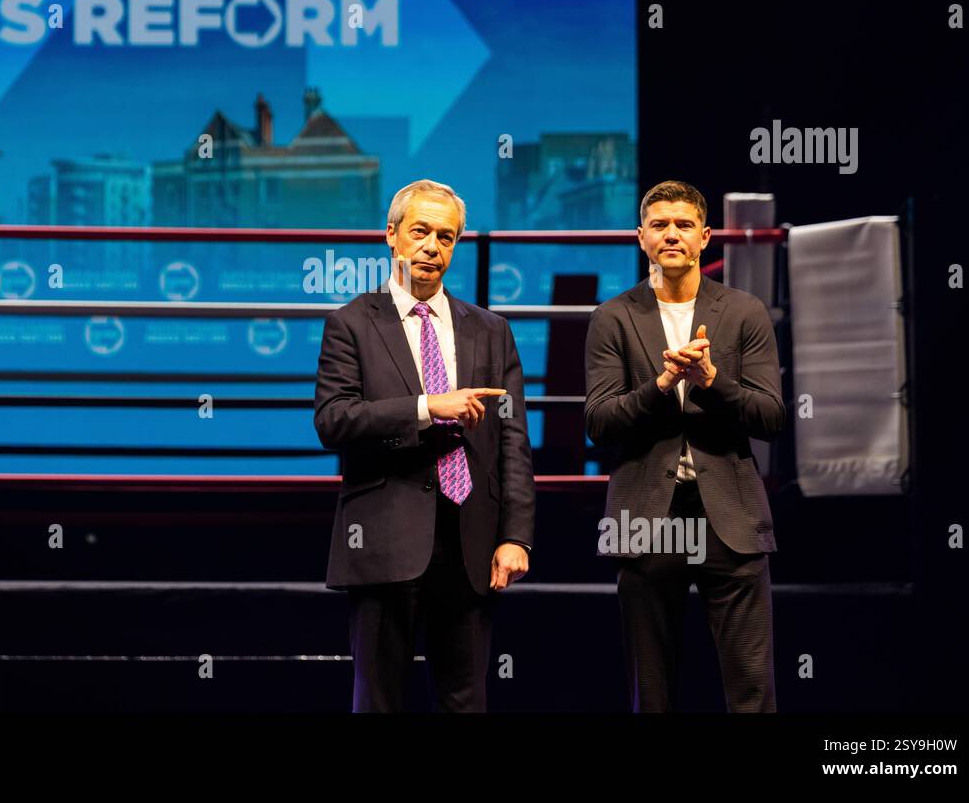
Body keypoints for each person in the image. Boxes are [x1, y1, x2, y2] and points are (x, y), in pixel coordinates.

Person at [314, 179, 536, 712]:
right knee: (379, 702)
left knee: (467, 702)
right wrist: (426, 407)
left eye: (446, 235)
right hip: (384, 541)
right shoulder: (350, 324)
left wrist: (517, 538)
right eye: (420, 232)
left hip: (470, 545)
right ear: (391, 236)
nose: (432, 246)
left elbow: (513, 441)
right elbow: (333, 420)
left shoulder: (490, 330)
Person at [585, 180, 785, 712]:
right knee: (650, 694)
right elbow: (600, 423)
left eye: (683, 225)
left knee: (752, 691)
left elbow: (771, 418)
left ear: (705, 237)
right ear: (641, 238)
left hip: (732, 517)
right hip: (646, 518)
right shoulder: (613, 317)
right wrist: (661, 384)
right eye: (659, 225)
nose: (671, 234)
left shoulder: (745, 312)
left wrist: (711, 380)